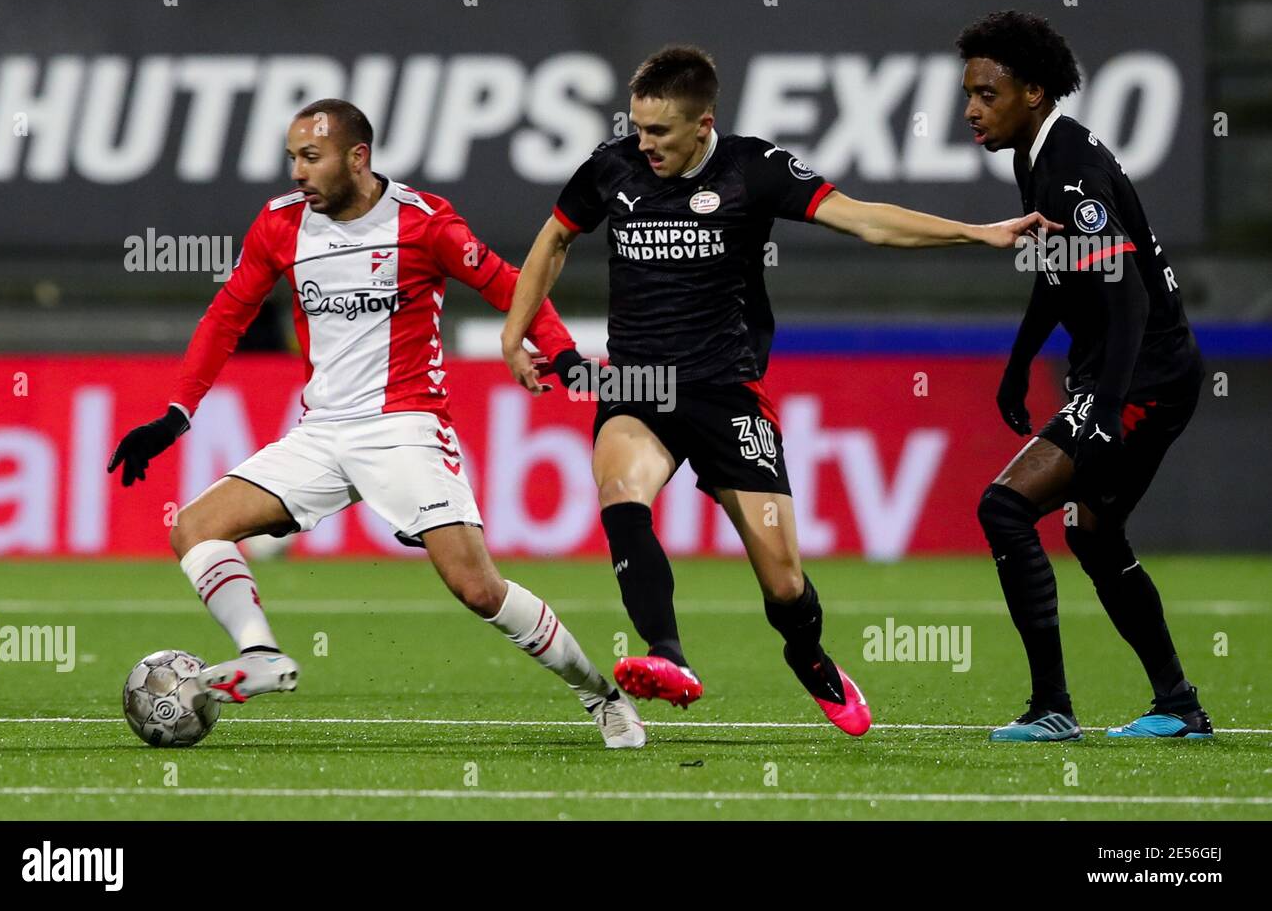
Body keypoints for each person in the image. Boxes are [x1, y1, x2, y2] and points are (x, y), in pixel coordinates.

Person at [501, 45, 1055, 735]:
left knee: (785, 581)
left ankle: (811, 656)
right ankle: (666, 654)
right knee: (621, 493)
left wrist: (976, 232)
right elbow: (556, 235)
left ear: (704, 124)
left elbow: (864, 218)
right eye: (639, 129)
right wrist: (513, 333)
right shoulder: (612, 168)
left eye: (661, 133)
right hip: (639, 386)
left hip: (726, 392)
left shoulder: (752, 170)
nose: (644, 145)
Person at [107, 98, 646, 749]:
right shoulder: (280, 225)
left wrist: (558, 350)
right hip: (322, 433)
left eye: (311, 157)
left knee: (477, 587)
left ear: (357, 158)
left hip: (405, 428)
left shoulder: (425, 224)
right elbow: (227, 315)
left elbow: (512, 284)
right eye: (292, 157)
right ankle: (262, 654)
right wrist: (175, 414)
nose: (298, 172)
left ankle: (600, 694)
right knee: (194, 526)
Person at [958, 11, 1211, 741]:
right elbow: (1057, 268)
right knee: (1096, 538)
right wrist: (1016, 364)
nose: (971, 109)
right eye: (968, 93)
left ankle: (1052, 707)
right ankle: (1179, 705)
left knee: (1003, 508)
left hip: (1144, 380)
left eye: (986, 93)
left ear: (1033, 91)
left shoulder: (1070, 169)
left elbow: (1125, 294)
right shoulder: (1037, 155)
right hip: (1137, 375)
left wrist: (1102, 407)